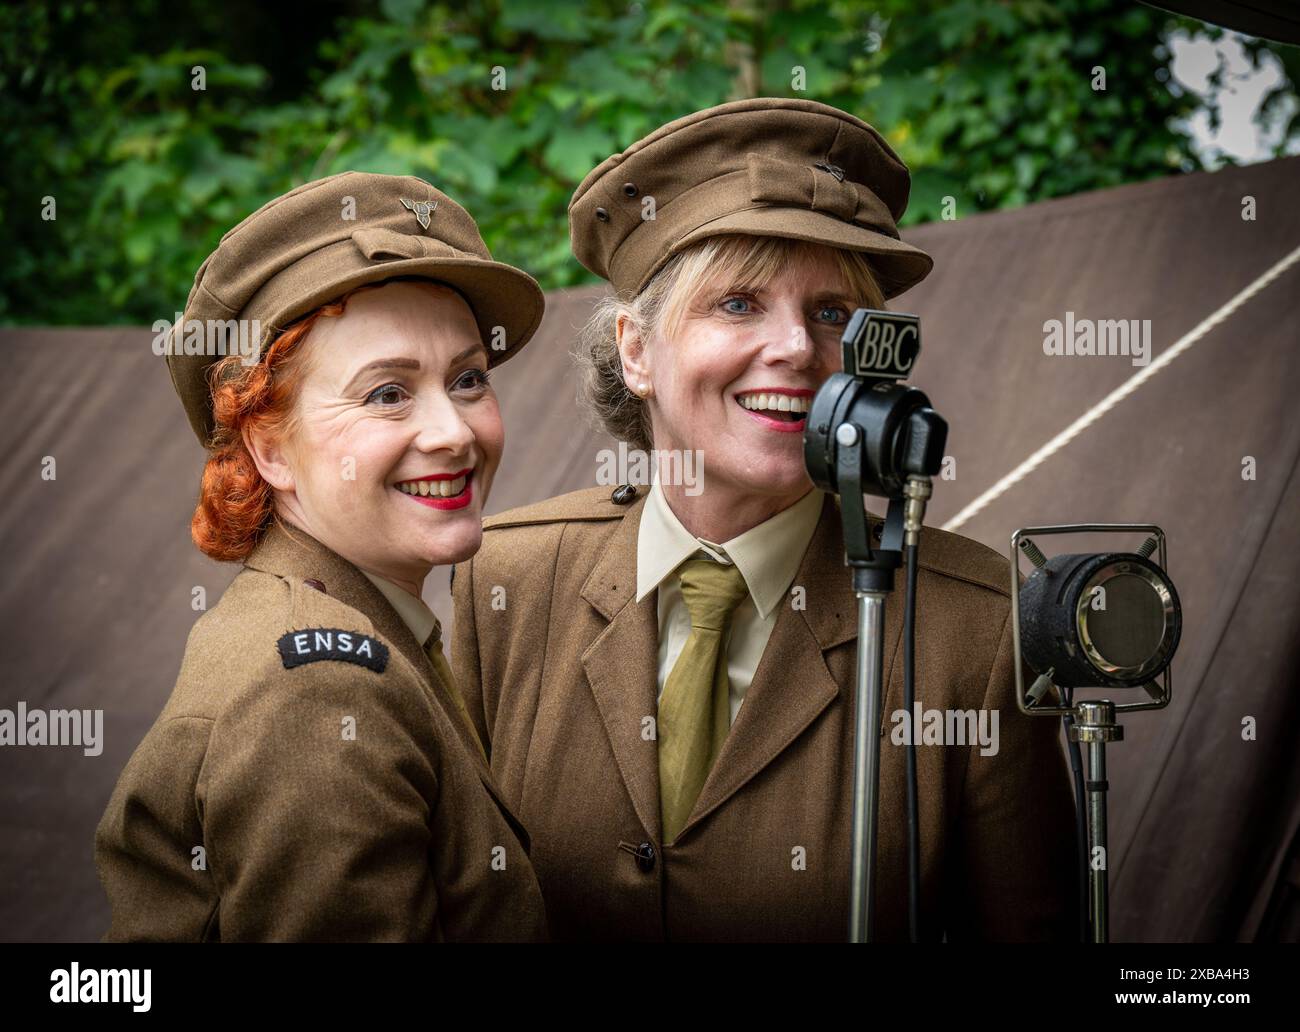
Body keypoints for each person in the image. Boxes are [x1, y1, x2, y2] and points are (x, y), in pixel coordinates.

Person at [450, 98, 1077, 941]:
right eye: (739, 304)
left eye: (831, 314)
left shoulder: (977, 630)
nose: (795, 348)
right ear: (637, 352)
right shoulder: (507, 579)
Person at [95, 171, 549, 941]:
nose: (453, 432)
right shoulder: (320, 688)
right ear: (268, 447)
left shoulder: (356, 624)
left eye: (468, 379)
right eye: (386, 394)